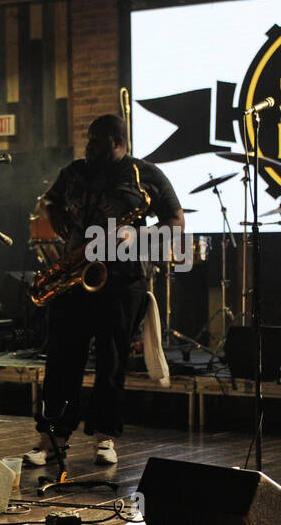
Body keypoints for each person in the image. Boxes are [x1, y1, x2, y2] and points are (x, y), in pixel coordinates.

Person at [26, 114, 183, 467]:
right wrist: (55, 214)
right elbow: (49, 201)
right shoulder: (75, 171)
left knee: (112, 361)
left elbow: (176, 223)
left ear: (115, 140)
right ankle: (52, 436)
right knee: (62, 358)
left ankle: (105, 437)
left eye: (95, 140)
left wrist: (138, 235)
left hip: (122, 277)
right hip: (75, 273)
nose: (87, 146)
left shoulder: (147, 176)